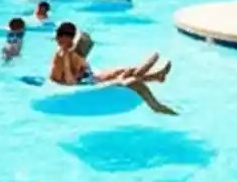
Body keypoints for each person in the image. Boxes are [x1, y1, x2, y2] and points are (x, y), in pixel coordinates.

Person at [48, 22, 176, 114]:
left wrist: (81, 66)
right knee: (129, 80)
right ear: (63, 38)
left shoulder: (73, 52)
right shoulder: (61, 56)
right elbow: (67, 82)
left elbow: (83, 68)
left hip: (89, 77)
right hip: (82, 83)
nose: (73, 42)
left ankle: (155, 76)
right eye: (71, 39)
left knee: (126, 71)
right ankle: (156, 101)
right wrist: (67, 60)